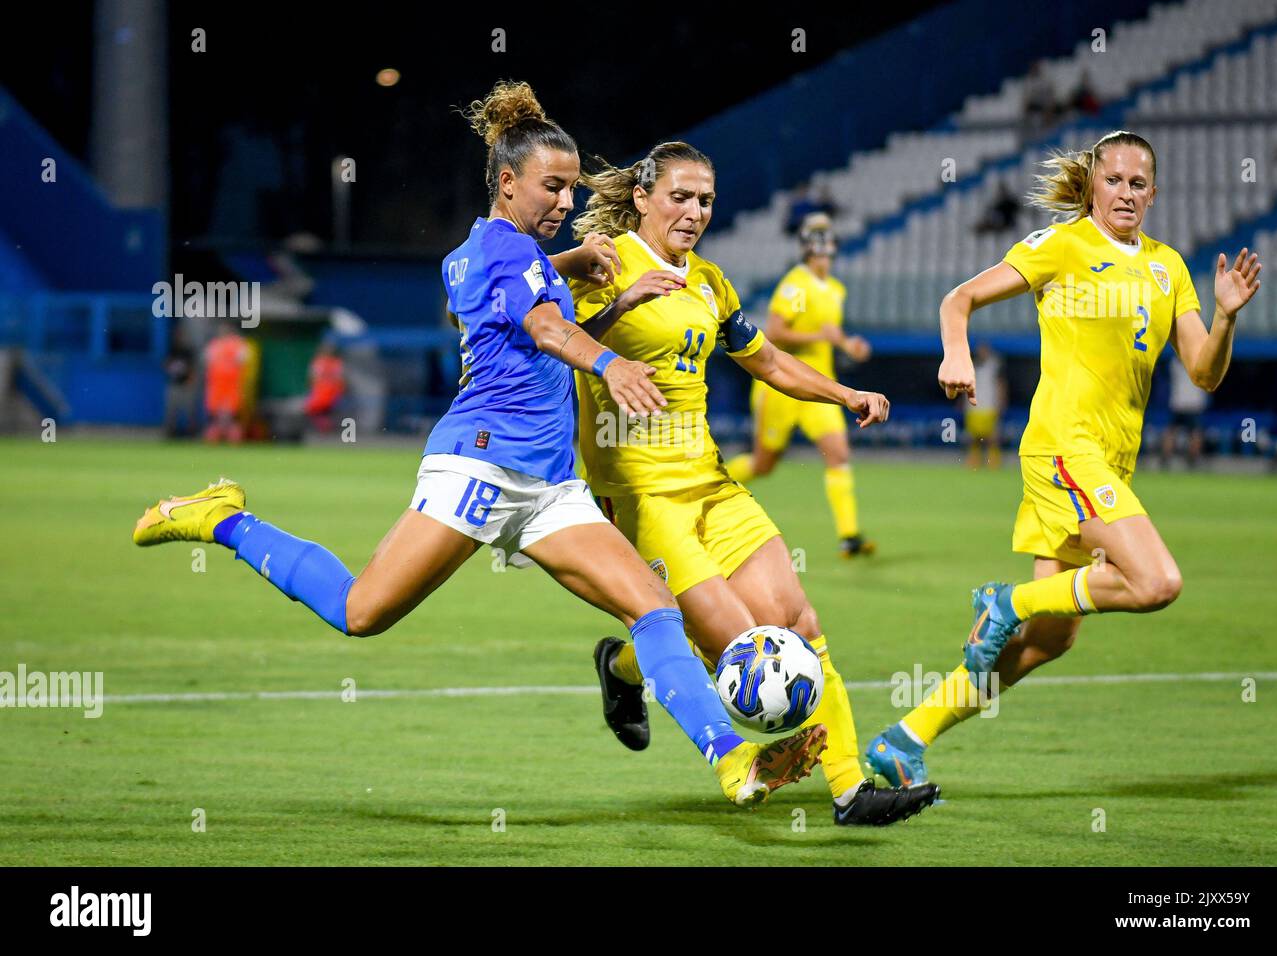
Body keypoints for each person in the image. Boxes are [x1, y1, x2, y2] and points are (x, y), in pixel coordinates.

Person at [132, 81, 830, 809]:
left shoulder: (508, 255)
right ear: (506, 182)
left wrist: (606, 295)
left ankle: (732, 760)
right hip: (481, 466)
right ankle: (222, 517)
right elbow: (546, 330)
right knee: (361, 612)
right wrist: (611, 360)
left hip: (552, 488)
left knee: (655, 608)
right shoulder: (504, 253)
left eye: (570, 189)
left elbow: (525, 298)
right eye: (551, 188)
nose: (565, 203)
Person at [868, 130, 1262, 786]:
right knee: (1157, 582)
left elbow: (1204, 372)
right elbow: (957, 299)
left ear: (1155, 193)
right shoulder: (1063, 244)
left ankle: (906, 738)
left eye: (1139, 184)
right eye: (1114, 181)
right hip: (1064, 451)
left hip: (1108, 463)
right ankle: (1007, 602)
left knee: (1050, 640)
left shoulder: (1169, 268)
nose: (1126, 193)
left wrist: (1224, 319)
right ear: (1090, 186)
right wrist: (956, 351)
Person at [569, 141, 939, 825]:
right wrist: (619, 305)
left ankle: (852, 791)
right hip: (644, 496)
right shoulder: (602, 262)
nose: (694, 211)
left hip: (711, 485)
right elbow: (540, 332)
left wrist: (842, 392)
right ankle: (626, 667)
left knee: (797, 623)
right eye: (680, 196)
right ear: (645, 197)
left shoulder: (709, 280)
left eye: (705, 200)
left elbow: (765, 357)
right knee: (735, 647)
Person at [727, 212, 877, 557]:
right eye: (817, 245)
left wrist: (847, 344)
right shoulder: (795, 284)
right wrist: (818, 335)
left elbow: (829, 333)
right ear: (808, 249)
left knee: (838, 453)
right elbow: (775, 333)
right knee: (763, 465)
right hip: (782, 387)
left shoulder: (836, 289)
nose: (822, 252)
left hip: (819, 390)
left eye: (826, 244)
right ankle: (712, 484)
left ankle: (849, 536)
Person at [202, 320, 252, 443]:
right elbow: (206, 361)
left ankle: (232, 443)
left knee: (231, 419)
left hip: (230, 387)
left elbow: (243, 359)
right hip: (216, 388)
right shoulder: (215, 345)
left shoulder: (237, 344)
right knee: (216, 419)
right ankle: (213, 443)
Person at [964, 342, 1006, 469]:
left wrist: (1001, 401)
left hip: (989, 406)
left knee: (992, 437)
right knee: (973, 437)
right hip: (973, 407)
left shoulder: (995, 366)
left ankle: (993, 462)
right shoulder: (971, 364)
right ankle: (974, 462)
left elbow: (1001, 385)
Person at [1160, 356, 1208, 469]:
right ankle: (1192, 460)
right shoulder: (1197, 363)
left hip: (1179, 403)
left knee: (1172, 432)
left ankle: (1166, 459)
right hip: (1192, 403)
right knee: (1194, 433)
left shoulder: (1175, 363)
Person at [162, 325, 199, 438]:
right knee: (171, 410)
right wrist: (172, 368)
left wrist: (190, 380)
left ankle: (191, 433)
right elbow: (165, 365)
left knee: (190, 411)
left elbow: (194, 368)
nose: (179, 338)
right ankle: (170, 433)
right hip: (174, 384)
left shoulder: (188, 351)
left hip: (186, 385)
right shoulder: (172, 350)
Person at [303, 339, 346, 431]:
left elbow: (312, 378)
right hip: (326, 393)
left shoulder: (325, 363)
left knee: (316, 410)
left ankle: (325, 426)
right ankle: (325, 426)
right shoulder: (332, 363)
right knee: (319, 411)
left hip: (327, 394)